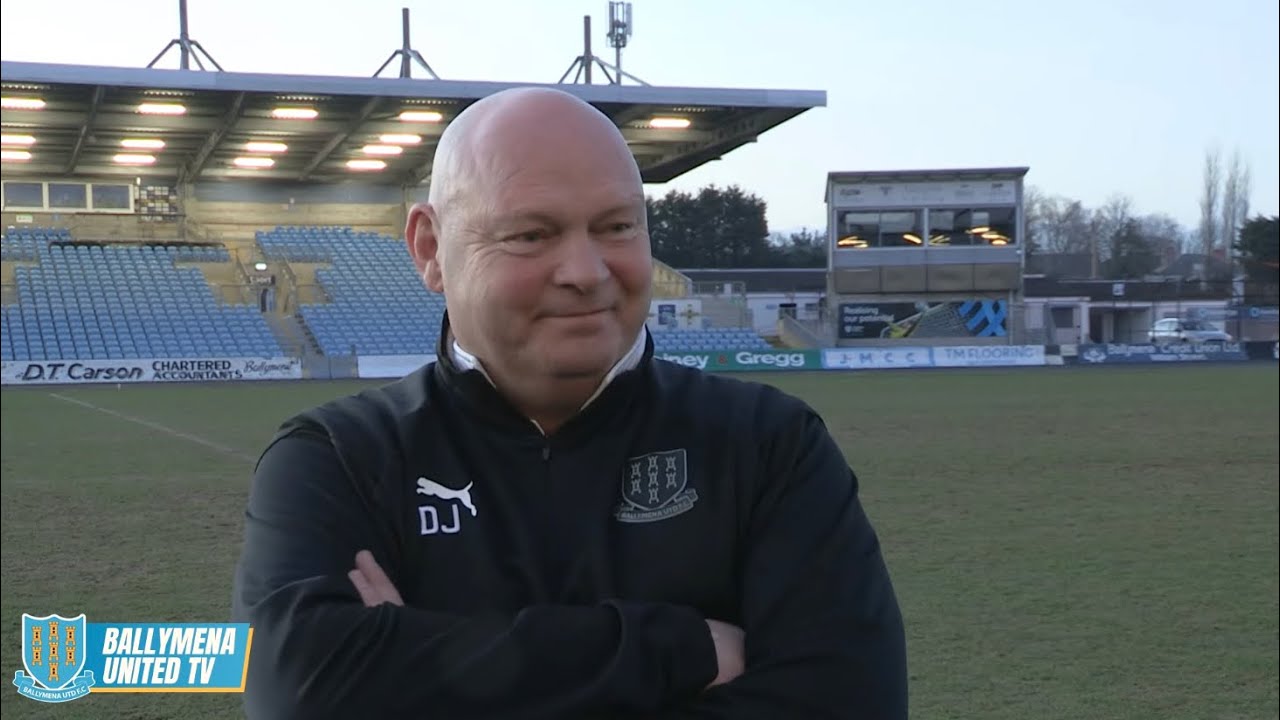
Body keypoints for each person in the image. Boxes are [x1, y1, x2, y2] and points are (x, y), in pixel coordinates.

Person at [231, 86, 907, 719]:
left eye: (616, 227)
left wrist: (412, 667)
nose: (586, 272)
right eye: (531, 235)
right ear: (431, 249)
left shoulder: (769, 446)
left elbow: (847, 699)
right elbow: (296, 692)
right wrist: (679, 649)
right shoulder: (338, 460)